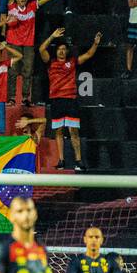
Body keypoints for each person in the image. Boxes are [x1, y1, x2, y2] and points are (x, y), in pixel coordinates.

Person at [39, 27, 100, 171]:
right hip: (56, 100)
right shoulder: (50, 62)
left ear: (67, 51)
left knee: (74, 131)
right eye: (59, 49)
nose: (61, 51)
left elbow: (89, 54)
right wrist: (52, 36)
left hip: (70, 100)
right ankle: (61, 161)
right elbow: (41, 49)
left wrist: (96, 43)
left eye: (63, 49)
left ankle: (78, 161)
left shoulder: (72, 62)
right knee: (59, 131)